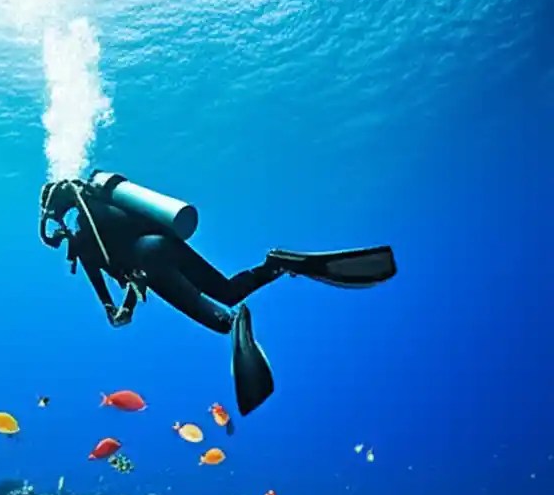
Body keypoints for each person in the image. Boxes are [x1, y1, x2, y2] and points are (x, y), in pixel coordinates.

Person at [39, 174, 397, 415]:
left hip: (150, 262)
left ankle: (235, 321)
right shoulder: (107, 204)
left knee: (223, 318)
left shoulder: (82, 238)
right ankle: (278, 263)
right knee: (227, 289)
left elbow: (108, 291)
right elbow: (135, 245)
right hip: (164, 244)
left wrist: (116, 311)